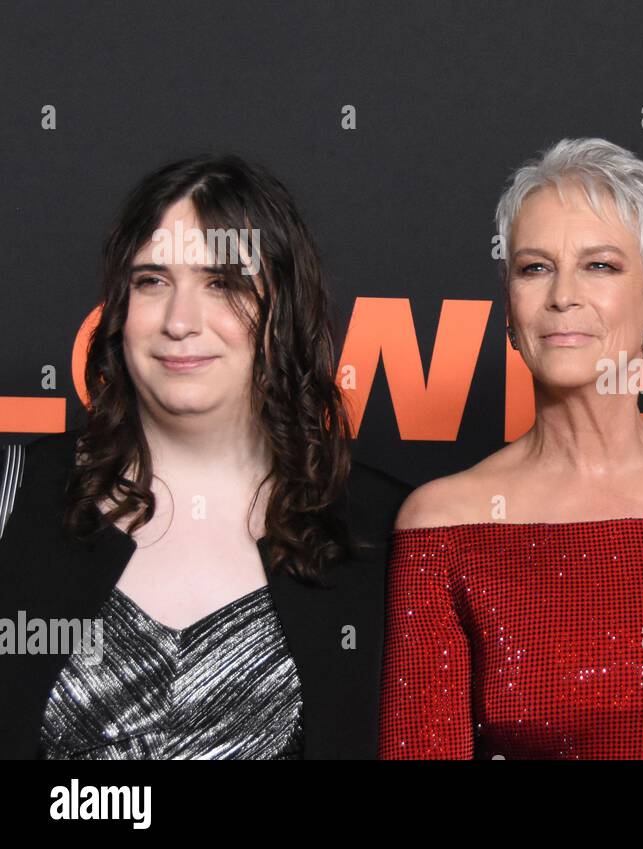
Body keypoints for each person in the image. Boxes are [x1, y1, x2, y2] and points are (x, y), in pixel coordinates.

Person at [379, 138, 643, 759]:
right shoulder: (444, 524)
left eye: (600, 266)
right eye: (535, 268)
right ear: (509, 308)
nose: (562, 296)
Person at [0, 154, 409, 759]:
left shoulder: (385, 531)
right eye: (152, 281)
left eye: (224, 283)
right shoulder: (15, 497)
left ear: (282, 311)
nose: (179, 321)